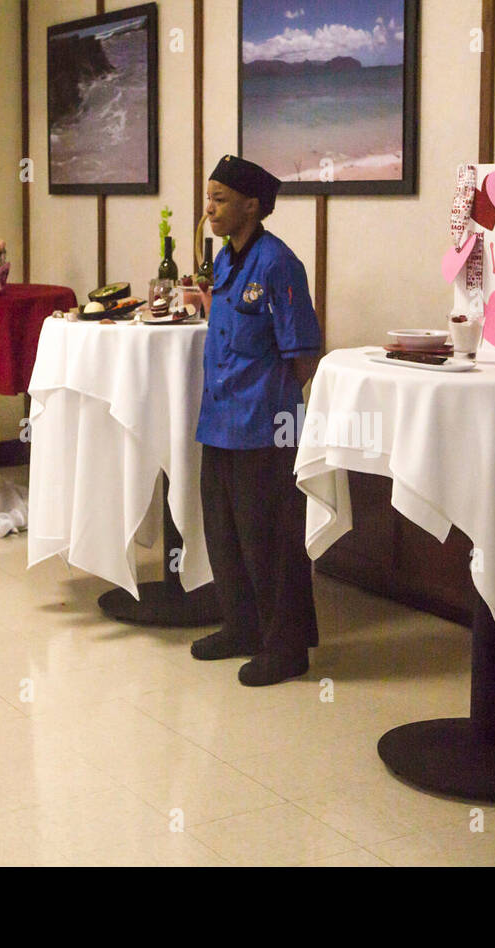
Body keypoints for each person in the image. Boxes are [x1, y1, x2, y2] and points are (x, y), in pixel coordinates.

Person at [191, 155, 323, 686]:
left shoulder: (278, 264)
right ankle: (242, 628)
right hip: (219, 420)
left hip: (264, 427)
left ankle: (286, 647)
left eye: (220, 199)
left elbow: (304, 355)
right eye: (209, 197)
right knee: (224, 536)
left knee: (270, 542)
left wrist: (277, 412)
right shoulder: (225, 259)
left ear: (251, 206)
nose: (209, 208)